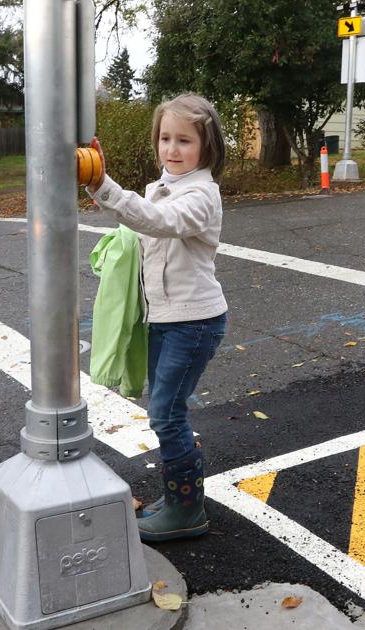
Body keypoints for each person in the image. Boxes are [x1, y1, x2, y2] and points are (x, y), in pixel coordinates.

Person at [86, 93, 228, 542]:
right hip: (165, 319)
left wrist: (103, 185)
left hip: (195, 321)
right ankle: (179, 496)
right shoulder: (163, 187)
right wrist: (97, 187)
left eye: (184, 140)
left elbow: (158, 222)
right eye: (165, 138)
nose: (172, 149)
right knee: (164, 411)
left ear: (207, 147)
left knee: (166, 413)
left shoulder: (201, 196)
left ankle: (187, 509)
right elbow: (143, 219)